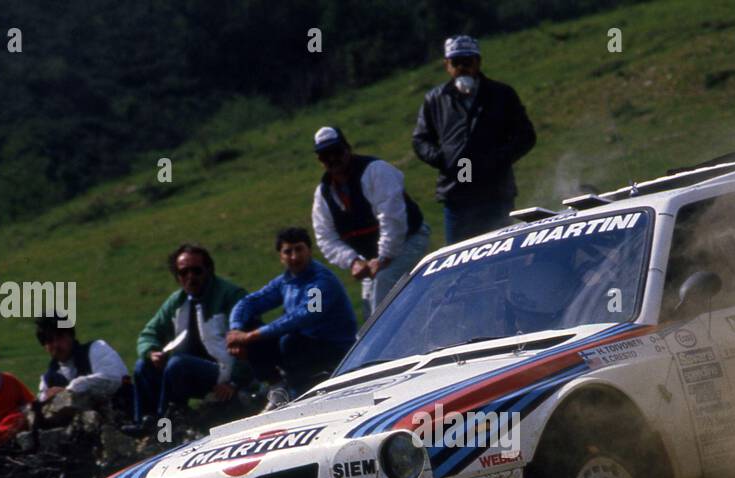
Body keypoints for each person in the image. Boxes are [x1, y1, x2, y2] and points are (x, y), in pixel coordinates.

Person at [412, 35, 537, 245]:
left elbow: (526, 136)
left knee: (503, 249)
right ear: (447, 65)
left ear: (478, 62)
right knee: (458, 257)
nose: (462, 67)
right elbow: (420, 140)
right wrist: (445, 160)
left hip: (495, 192)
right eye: (456, 62)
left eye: (467, 62)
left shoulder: (501, 94)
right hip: (456, 194)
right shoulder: (435, 99)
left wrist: (498, 160)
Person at [225, 228, 357, 410]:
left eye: (299, 249)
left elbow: (307, 315)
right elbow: (250, 302)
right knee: (252, 327)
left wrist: (251, 336)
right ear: (281, 256)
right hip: (301, 342)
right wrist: (236, 330)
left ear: (309, 251)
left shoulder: (321, 282)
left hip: (332, 345)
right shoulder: (285, 280)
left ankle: (300, 392)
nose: (294, 256)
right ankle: (277, 388)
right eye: (288, 251)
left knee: (286, 341)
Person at [310, 126, 431, 320]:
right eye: (325, 156)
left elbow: (393, 219)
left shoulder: (376, 171)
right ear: (319, 160)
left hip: (407, 241)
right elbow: (325, 238)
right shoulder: (323, 194)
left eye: (336, 152)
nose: (333, 159)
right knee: (369, 308)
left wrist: (383, 257)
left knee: (382, 294)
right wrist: (353, 261)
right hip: (371, 258)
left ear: (347, 149)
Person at [127, 243, 246, 435]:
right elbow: (148, 334)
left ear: (208, 270)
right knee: (144, 366)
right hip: (186, 372)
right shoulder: (177, 301)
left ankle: (164, 422)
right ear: (177, 277)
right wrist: (152, 352)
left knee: (177, 364)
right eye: (184, 273)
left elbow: (249, 339)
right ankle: (145, 423)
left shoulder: (230, 295)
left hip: (222, 372)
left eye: (196, 271)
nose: (191, 277)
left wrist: (235, 381)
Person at [34, 315, 129, 420]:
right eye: (50, 341)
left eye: (60, 337)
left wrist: (71, 390)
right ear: (45, 346)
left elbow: (113, 378)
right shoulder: (47, 380)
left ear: (71, 335)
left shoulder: (96, 349)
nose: (56, 345)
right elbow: (42, 403)